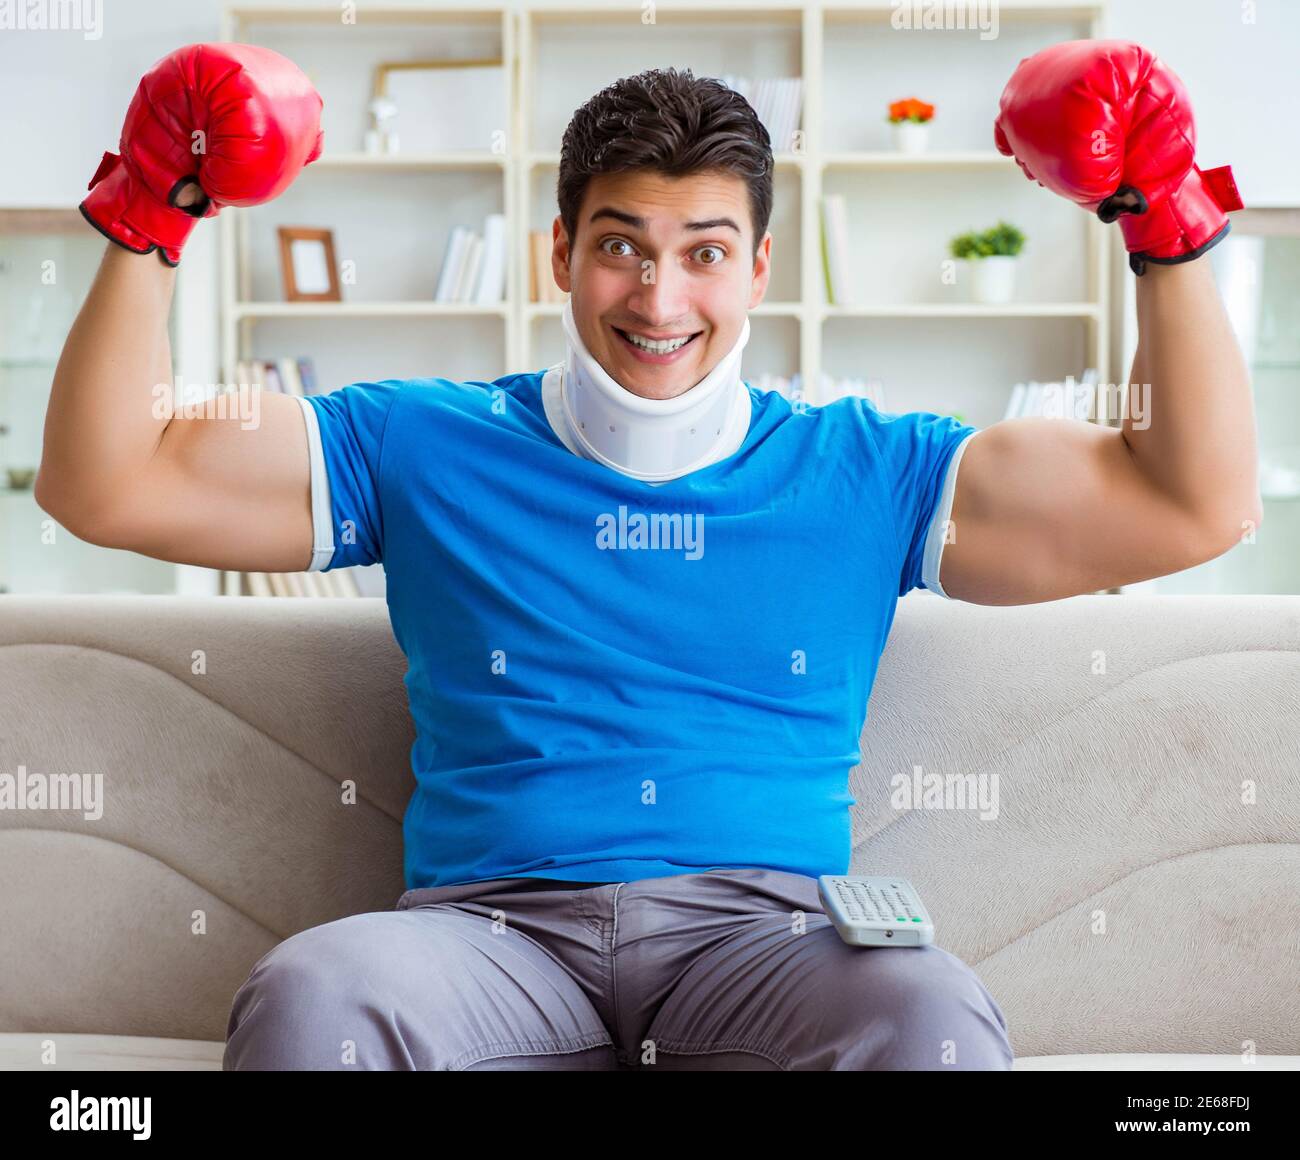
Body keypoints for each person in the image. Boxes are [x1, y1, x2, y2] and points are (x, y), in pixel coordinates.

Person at [38, 42, 1258, 1071]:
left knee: (929, 1015)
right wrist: (156, 206)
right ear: (557, 251)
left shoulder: (868, 469)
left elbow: (1190, 504)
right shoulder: (417, 442)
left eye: (705, 251)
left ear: (760, 267)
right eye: (620, 244)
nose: (660, 294)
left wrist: (1163, 218)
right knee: (312, 995)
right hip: (489, 936)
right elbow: (107, 480)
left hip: (771, 941)